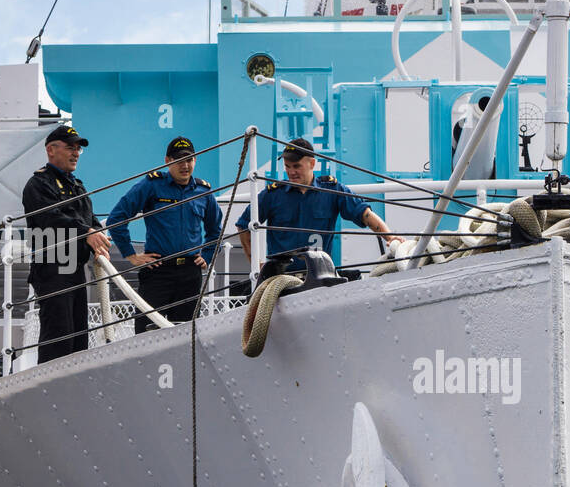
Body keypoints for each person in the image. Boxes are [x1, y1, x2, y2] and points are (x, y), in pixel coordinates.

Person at [106, 136, 224, 334]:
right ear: (168, 161)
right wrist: (131, 255)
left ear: (195, 160)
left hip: (190, 274)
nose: (185, 165)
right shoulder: (152, 185)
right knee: (146, 333)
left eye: (189, 159)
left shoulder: (203, 192)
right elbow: (116, 218)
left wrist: (208, 255)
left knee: (187, 335)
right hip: (158, 272)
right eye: (179, 160)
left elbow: (215, 230)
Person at [236, 138, 395, 277]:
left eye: (296, 166)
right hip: (281, 279)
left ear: (312, 163)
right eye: (287, 166)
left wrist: (390, 238)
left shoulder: (331, 190)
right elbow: (244, 225)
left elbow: (363, 214)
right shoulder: (272, 195)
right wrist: (256, 264)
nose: (291, 172)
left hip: (320, 275)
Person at [21, 125, 111, 363]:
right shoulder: (38, 184)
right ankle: (51, 389)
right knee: (59, 337)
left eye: (79, 149)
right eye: (70, 148)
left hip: (74, 269)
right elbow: (50, 218)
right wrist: (86, 233)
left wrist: (99, 237)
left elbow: (88, 218)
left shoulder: (77, 186)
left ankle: (72, 389)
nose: (76, 153)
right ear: (51, 150)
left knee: (78, 339)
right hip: (52, 267)